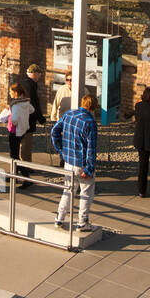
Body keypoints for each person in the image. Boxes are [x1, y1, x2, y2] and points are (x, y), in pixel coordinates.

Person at [52, 92, 99, 232]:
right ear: (94, 108)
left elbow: (54, 131)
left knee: (68, 190)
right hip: (82, 163)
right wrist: (89, 168)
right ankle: (82, 222)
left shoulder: (69, 114)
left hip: (68, 161)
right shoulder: (90, 122)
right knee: (86, 192)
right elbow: (91, 148)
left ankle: (59, 218)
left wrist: (60, 149)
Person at [1, 82, 36, 190]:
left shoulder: (15, 105)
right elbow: (32, 110)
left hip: (15, 132)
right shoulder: (25, 102)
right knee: (15, 154)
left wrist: (10, 117)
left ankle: (26, 179)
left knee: (14, 156)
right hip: (23, 130)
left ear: (16, 92)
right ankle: (14, 175)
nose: (9, 94)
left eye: (11, 92)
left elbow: (14, 120)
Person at [18, 65, 47, 133]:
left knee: (22, 137)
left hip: (21, 113)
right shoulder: (30, 85)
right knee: (27, 137)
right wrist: (41, 118)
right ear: (34, 73)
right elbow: (34, 102)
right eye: (39, 74)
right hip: (27, 116)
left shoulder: (24, 82)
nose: (39, 77)